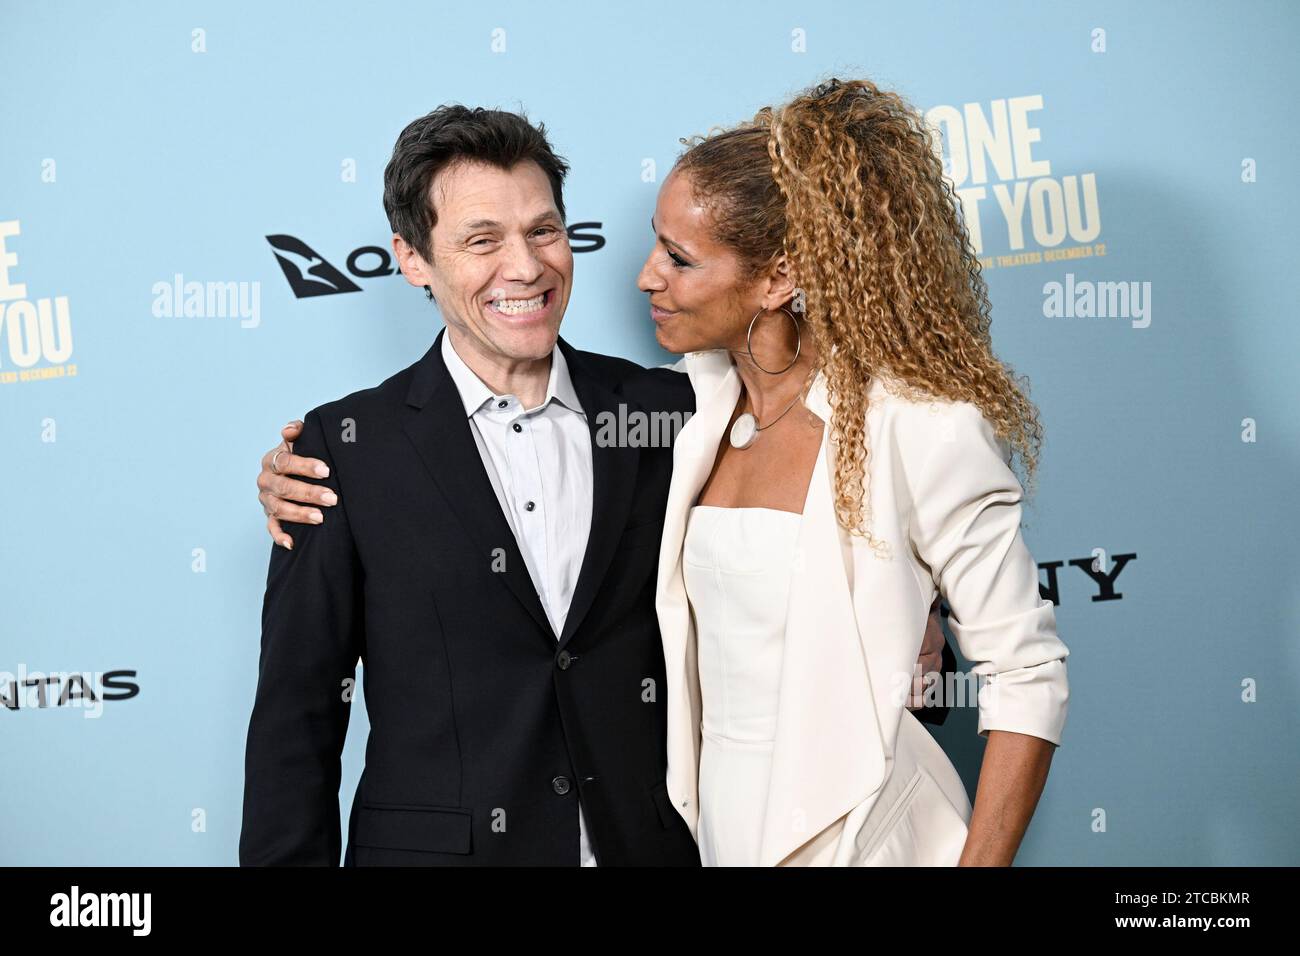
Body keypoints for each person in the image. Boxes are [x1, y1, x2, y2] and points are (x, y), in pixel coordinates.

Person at [242, 100, 951, 866]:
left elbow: (824, 489)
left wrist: (922, 614)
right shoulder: (343, 451)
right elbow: (297, 720)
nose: (525, 266)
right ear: (412, 258)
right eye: (482, 240)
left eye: (543, 230)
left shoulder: (677, 412)